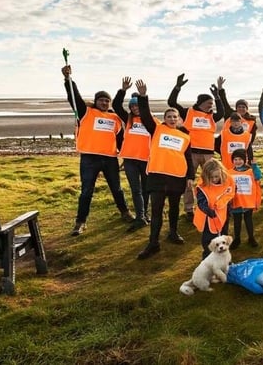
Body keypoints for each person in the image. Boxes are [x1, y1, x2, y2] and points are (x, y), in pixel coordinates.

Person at [62, 65, 132, 236]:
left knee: (117, 188)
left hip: (110, 158)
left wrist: (124, 157)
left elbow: (121, 139)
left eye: (107, 100)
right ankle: (81, 222)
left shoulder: (115, 118)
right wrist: (68, 79)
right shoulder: (86, 112)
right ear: (96, 101)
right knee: (87, 191)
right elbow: (74, 97)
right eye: (101, 100)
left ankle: (125, 213)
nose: (104, 102)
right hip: (89, 158)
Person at [134, 80, 195, 260]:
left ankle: (173, 233)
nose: (172, 119)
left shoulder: (185, 136)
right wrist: (143, 97)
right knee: (157, 210)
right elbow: (145, 116)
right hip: (158, 176)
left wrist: (190, 176)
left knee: (175, 208)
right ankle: (153, 243)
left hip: (177, 177)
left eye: (175, 117)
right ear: (164, 119)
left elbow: (188, 157)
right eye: (169, 116)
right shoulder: (157, 129)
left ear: (179, 119)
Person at [167, 74, 224, 220]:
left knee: (211, 179)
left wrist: (218, 96)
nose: (211, 105)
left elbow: (223, 112)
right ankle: (189, 209)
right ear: (201, 102)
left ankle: (210, 205)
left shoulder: (212, 116)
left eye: (212, 103)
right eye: (209, 103)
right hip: (190, 152)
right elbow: (171, 102)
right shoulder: (188, 112)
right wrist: (177, 87)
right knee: (189, 181)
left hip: (208, 154)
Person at [113, 76, 155, 232]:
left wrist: (144, 96)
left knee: (146, 189)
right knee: (136, 189)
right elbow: (116, 105)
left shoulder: (151, 121)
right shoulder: (128, 119)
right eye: (133, 106)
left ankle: (144, 214)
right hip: (130, 160)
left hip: (146, 160)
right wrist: (123, 90)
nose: (135, 108)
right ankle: (140, 217)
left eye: (138, 106)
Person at [193, 158, 236, 259]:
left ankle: (224, 259)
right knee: (209, 240)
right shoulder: (202, 185)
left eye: (216, 177)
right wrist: (207, 210)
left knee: (223, 237)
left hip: (223, 215)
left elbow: (230, 193)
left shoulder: (228, 180)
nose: (214, 179)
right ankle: (207, 259)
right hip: (208, 217)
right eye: (211, 177)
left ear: (221, 173)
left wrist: (225, 208)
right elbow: (201, 201)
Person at [228, 148, 262, 249]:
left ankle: (251, 238)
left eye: (240, 159)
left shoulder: (250, 171)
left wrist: (255, 166)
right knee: (237, 221)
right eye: (235, 159)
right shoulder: (229, 172)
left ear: (244, 160)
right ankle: (237, 238)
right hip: (236, 201)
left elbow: (258, 176)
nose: (237, 162)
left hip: (248, 202)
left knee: (248, 220)